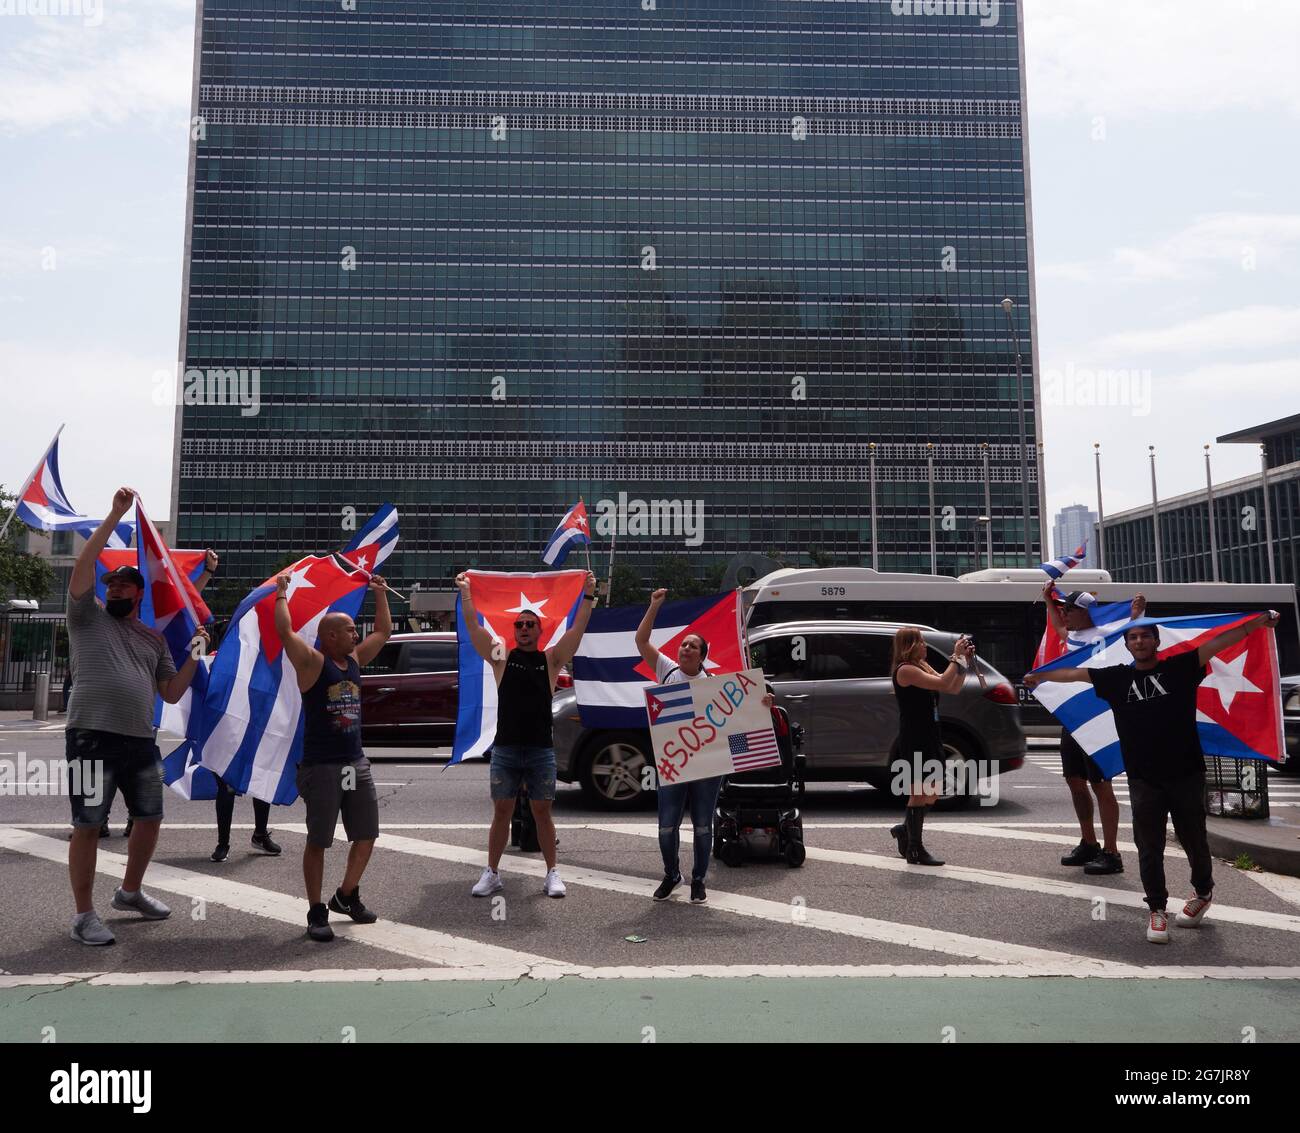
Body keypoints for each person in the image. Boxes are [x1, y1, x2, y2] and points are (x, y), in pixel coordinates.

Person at [1026, 611, 1280, 943]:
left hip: (1186, 773)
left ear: (1157, 641)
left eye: (1146, 636)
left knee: (1194, 840)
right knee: (1149, 846)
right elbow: (1074, 673)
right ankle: (1156, 910)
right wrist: (1039, 677)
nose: (1140, 641)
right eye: (1133, 637)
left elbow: (1219, 642)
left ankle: (1203, 892)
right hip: (1143, 778)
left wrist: (1257, 622)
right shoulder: (1114, 679)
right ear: (1127, 644)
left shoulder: (1181, 667)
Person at [64, 487, 210, 946]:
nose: (117, 588)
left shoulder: (152, 639)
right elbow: (84, 567)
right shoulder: (86, 617)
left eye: (126, 584)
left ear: (140, 593)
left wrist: (195, 654)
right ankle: (84, 915)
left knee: (150, 817)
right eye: (113, 584)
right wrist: (113, 514)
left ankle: (130, 892)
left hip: (140, 741)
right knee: (88, 824)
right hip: (91, 737)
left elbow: (171, 690)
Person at [458, 570, 597, 899]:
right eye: (519, 625)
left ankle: (552, 873)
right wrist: (467, 593)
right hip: (505, 749)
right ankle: (492, 873)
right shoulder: (500, 658)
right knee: (502, 811)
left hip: (539, 750)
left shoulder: (551, 660)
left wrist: (589, 595)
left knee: (541, 812)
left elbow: (577, 630)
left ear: (539, 630)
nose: (523, 629)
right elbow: (475, 629)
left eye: (529, 624)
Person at [274, 570, 392, 942]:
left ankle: (345, 895)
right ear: (330, 636)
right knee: (319, 841)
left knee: (367, 834)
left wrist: (380, 592)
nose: (356, 634)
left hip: (355, 762)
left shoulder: (354, 660)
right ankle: (315, 911)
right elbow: (285, 633)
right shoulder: (311, 663)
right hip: (321, 766)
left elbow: (384, 633)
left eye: (355, 630)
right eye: (350, 630)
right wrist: (281, 594)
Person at [1042, 583, 1146, 875]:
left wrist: (1136, 615)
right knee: (1075, 781)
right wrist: (1049, 602)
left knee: (1101, 785)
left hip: (1098, 720)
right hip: (1073, 720)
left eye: (1069, 609)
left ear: (1086, 612)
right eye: (1063, 610)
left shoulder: (1104, 637)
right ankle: (1089, 843)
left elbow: (1128, 645)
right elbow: (1058, 628)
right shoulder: (1072, 635)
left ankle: (1112, 852)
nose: (1064, 615)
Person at [194, 550, 279, 861]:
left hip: (256, 726)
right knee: (226, 787)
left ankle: (260, 834)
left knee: (260, 779)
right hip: (226, 729)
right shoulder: (214, 660)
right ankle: (223, 842)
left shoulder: (266, 657)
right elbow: (195, 672)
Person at [637, 589, 721, 903]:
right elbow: (642, 642)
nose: (686, 648)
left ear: (702, 655)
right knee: (666, 827)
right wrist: (654, 607)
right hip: (672, 762)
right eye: (684, 644)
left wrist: (764, 702)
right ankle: (671, 874)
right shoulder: (668, 671)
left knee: (702, 826)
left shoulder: (714, 684)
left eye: (693, 646)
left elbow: (741, 717)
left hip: (707, 766)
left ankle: (698, 881)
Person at [888, 627, 975, 866]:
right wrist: (955, 656)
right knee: (919, 791)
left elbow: (952, 687)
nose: (925, 646)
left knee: (933, 791)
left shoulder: (922, 667)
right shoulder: (906, 670)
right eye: (922, 642)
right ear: (910, 645)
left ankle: (905, 830)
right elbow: (944, 680)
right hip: (915, 736)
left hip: (930, 734)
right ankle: (915, 849)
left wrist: (964, 662)